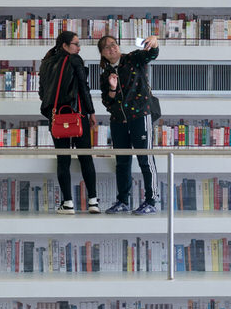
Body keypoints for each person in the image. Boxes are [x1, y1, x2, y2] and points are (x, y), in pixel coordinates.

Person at [98, 34, 161, 214]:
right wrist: (111, 88)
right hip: (118, 121)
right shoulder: (105, 75)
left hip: (140, 116)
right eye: (106, 47)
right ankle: (123, 201)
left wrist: (154, 42)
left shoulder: (133, 59)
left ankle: (151, 200)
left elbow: (151, 54)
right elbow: (107, 103)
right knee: (122, 162)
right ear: (103, 53)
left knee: (145, 158)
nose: (112, 48)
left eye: (114, 44)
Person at [40, 29, 99, 213]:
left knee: (63, 160)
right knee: (85, 157)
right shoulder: (74, 60)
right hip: (77, 116)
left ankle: (68, 203)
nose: (79, 48)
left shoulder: (46, 63)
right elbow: (83, 88)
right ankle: (93, 202)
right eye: (76, 44)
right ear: (65, 46)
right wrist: (91, 112)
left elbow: (42, 93)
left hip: (57, 118)